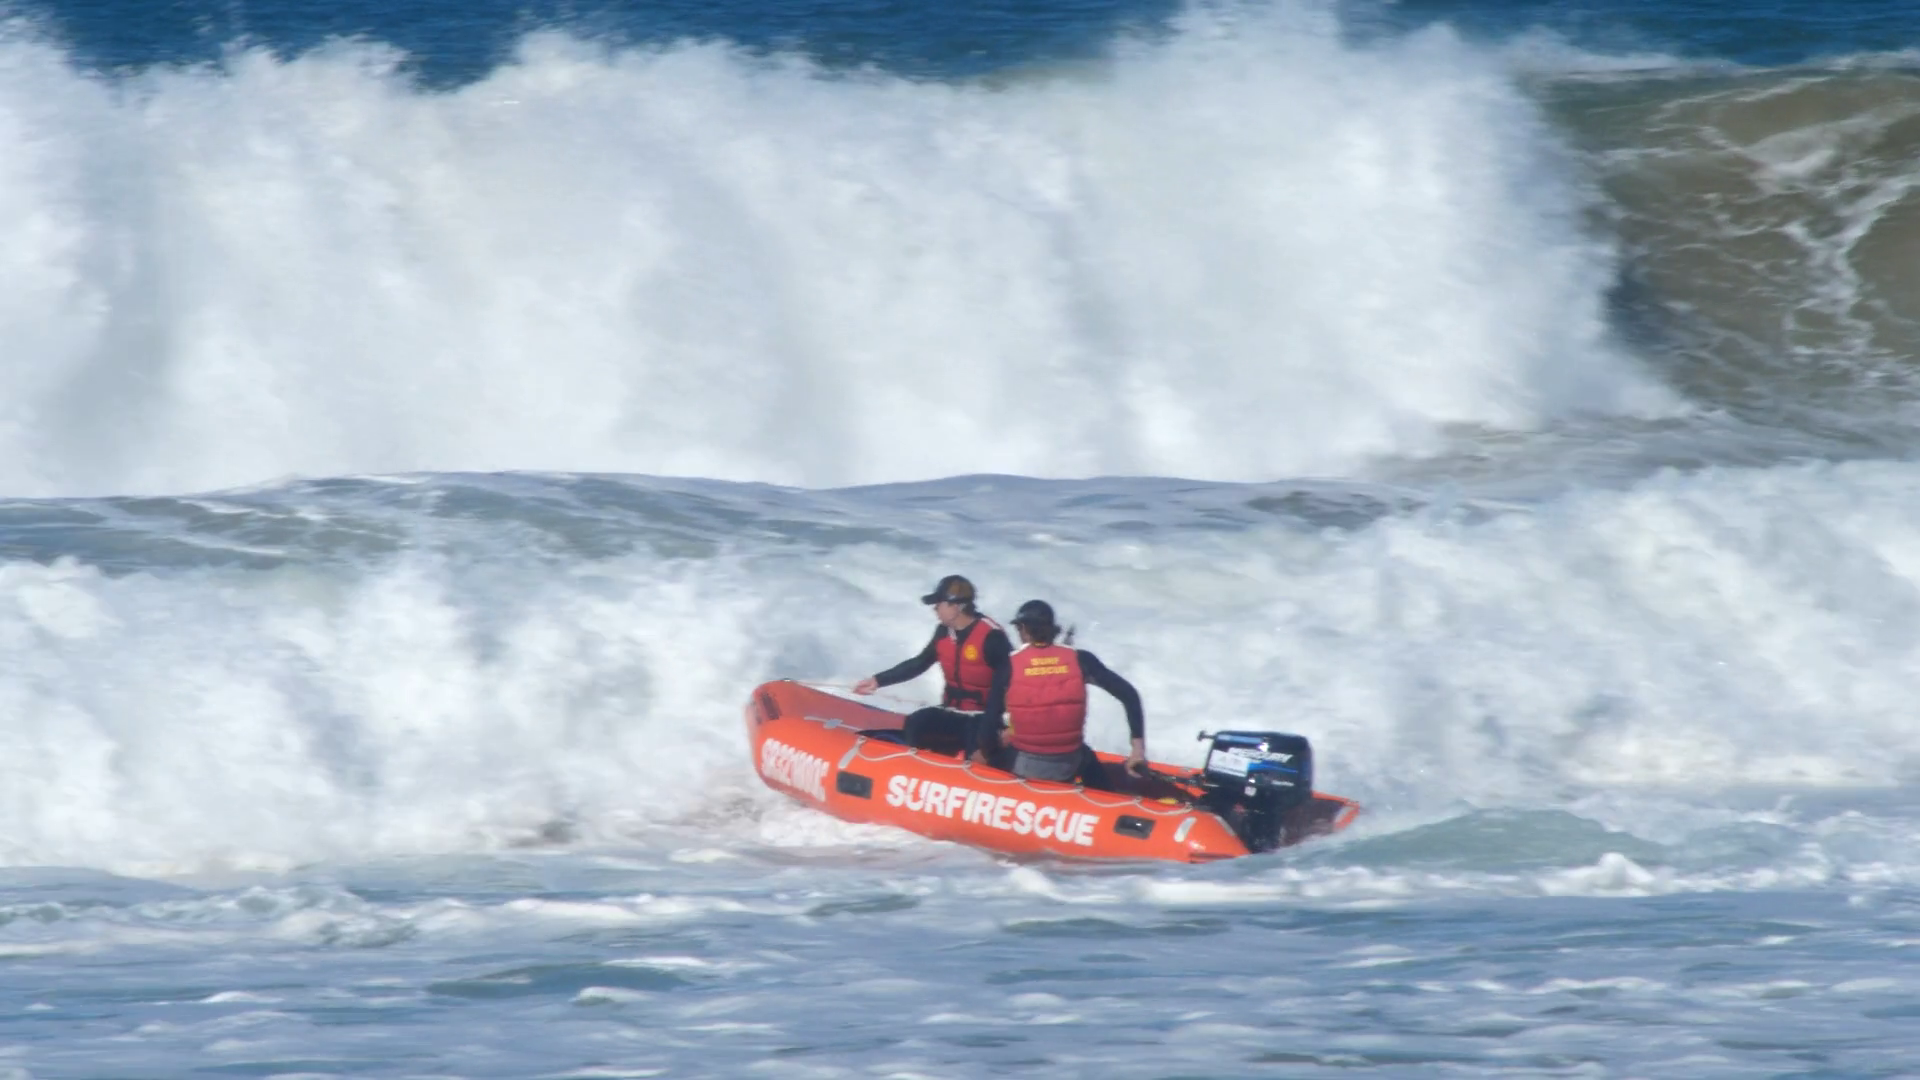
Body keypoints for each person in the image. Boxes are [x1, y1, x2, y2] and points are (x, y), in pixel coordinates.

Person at [990, 599, 1147, 789]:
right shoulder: (1080, 660)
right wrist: (1137, 750)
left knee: (992, 746)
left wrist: (988, 747)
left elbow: (990, 720)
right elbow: (1129, 695)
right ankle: (1107, 796)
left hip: (1024, 766)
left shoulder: (1011, 664)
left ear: (1023, 629)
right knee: (1086, 755)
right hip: (1069, 763)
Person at [852, 574, 1011, 755]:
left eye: (939, 604)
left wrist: (1006, 726)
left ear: (956, 606)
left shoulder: (992, 637)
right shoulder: (943, 632)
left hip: (983, 717)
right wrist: (878, 680)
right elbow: (920, 663)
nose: (935, 609)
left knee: (979, 741)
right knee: (916, 722)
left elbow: (1013, 681)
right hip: (951, 712)